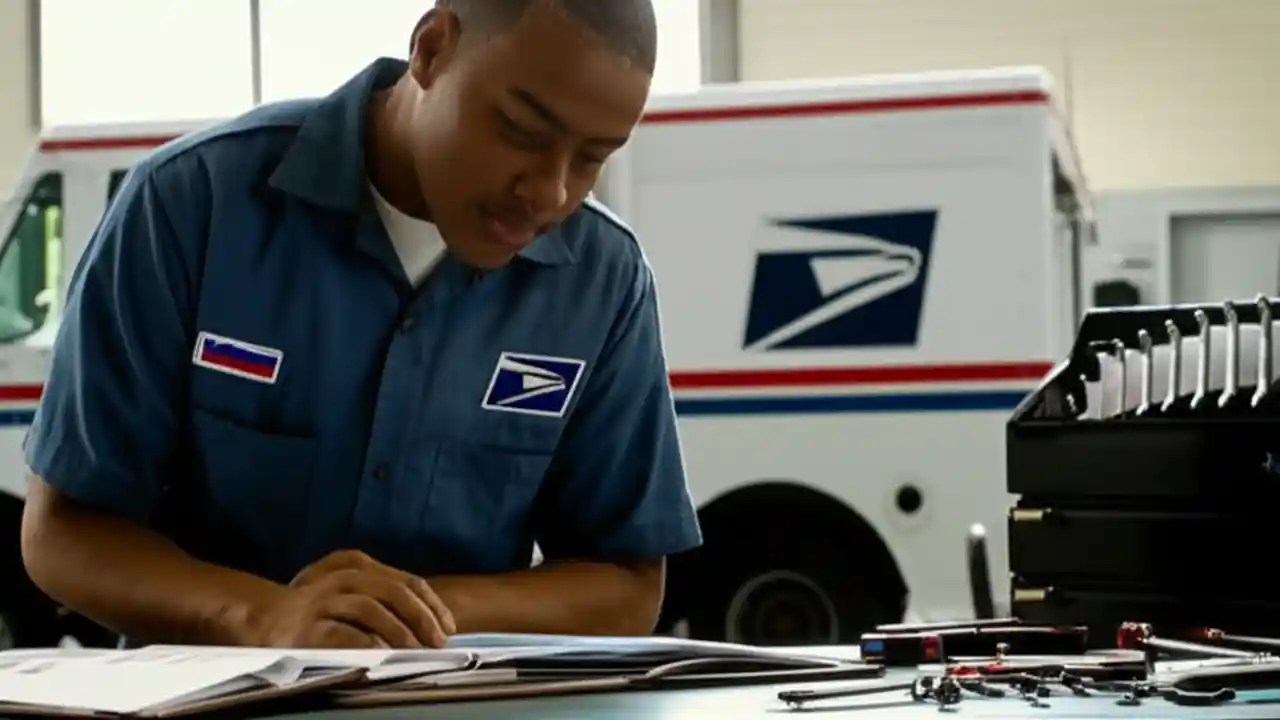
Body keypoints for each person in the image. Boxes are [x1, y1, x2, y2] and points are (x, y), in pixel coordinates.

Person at [19, 0, 702, 650]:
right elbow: (64, 533)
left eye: (593, 159)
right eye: (522, 132)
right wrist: (264, 616)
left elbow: (627, 583)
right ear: (432, 49)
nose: (551, 192)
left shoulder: (603, 282)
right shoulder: (189, 208)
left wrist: (405, 613)